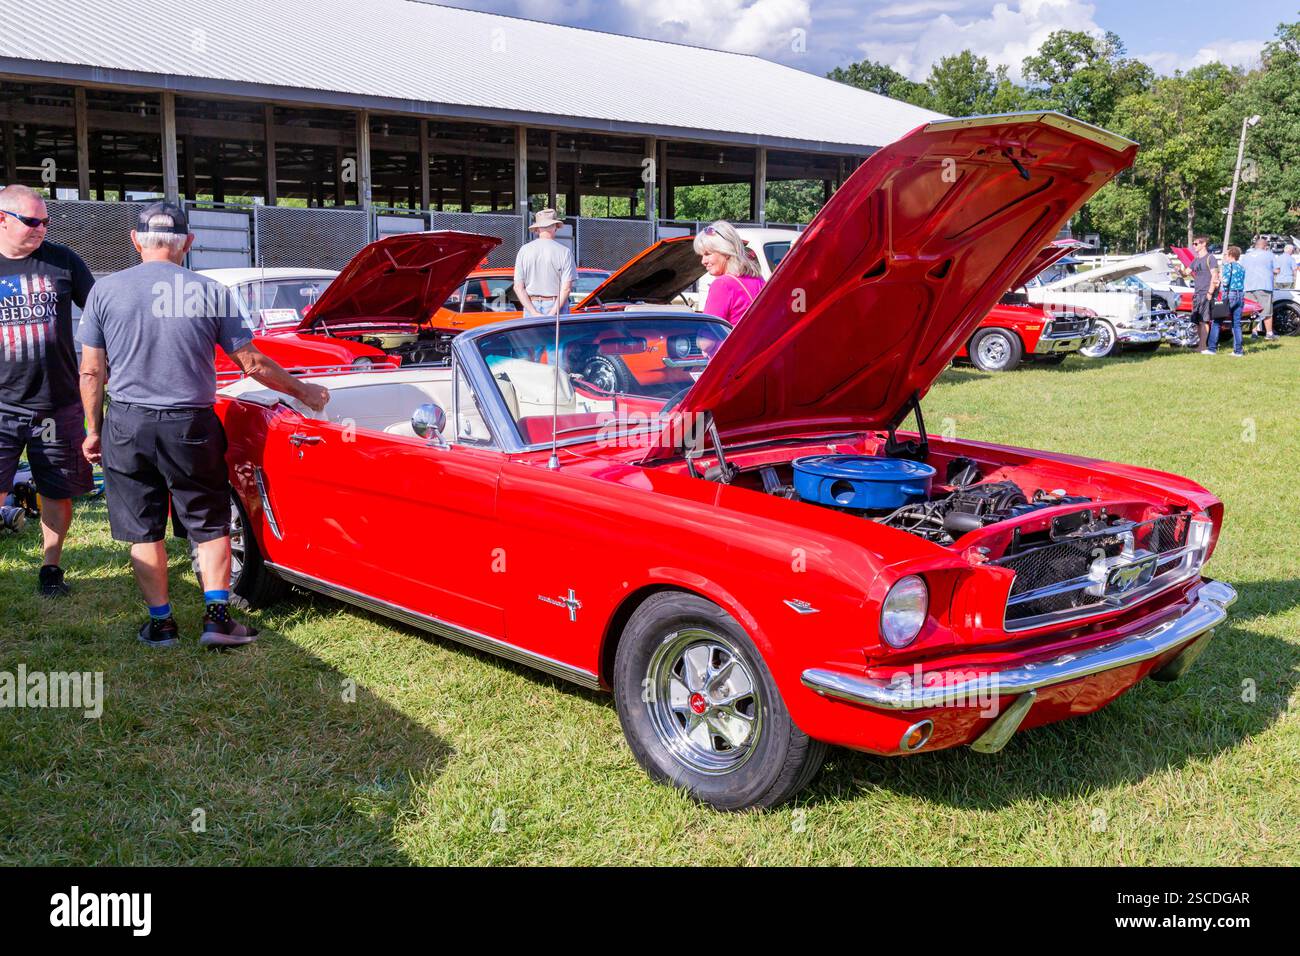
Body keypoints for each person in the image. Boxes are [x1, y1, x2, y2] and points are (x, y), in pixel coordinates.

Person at [77, 201, 330, 648]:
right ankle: (217, 619)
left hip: (127, 423)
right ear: (188, 243)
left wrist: (93, 429)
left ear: (135, 241)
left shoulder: (105, 291)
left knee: (143, 527)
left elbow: (92, 371)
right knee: (209, 521)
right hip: (189, 424)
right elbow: (250, 363)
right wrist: (306, 392)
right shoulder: (211, 291)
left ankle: (161, 623)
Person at [0, 184, 96, 597]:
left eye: (45, 221)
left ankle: (50, 567)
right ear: (2, 218)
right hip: (1, 404)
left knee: (56, 488)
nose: (41, 228)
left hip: (56, 404)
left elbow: (99, 312)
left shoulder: (63, 261)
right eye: (32, 221)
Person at [694, 221, 765, 325]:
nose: (703, 261)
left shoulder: (722, 285)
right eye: (702, 256)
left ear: (726, 252)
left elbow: (707, 339)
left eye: (708, 254)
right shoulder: (759, 280)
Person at [513, 209, 576, 316]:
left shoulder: (524, 250)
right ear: (555, 227)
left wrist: (533, 312)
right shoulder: (564, 252)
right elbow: (566, 288)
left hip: (530, 305)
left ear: (537, 229)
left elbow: (518, 287)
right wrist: (552, 313)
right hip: (557, 306)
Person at [1209, 246, 1245, 357]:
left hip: (1230, 295)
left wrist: (1217, 280)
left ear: (1231, 255)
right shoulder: (1241, 267)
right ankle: (1238, 351)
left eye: (1226, 254)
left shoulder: (1228, 266)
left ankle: (1211, 348)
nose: (1224, 256)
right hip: (1240, 295)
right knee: (1236, 324)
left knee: (1217, 322)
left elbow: (1225, 282)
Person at [1188, 236, 1219, 354]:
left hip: (1206, 292)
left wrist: (1210, 292)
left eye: (1196, 244)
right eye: (1193, 244)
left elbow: (1215, 276)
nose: (1194, 246)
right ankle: (1200, 345)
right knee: (1197, 320)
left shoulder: (1210, 258)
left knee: (1204, 321)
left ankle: (1203, 346)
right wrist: (1177, 270)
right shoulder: (1195, 260)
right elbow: (1186, 272)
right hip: (1197, 293)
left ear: (1204, 244)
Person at [1241, 237, 1276, 339]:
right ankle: (1269, 333)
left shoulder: (1246, 256)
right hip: (1264, 285)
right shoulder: (1269, 255)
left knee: (1252, 311)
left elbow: (1242, 269)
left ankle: (1254, 333)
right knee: (1267, 311)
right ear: (1265, 247)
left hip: (1248, 286)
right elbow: (1277, 270)